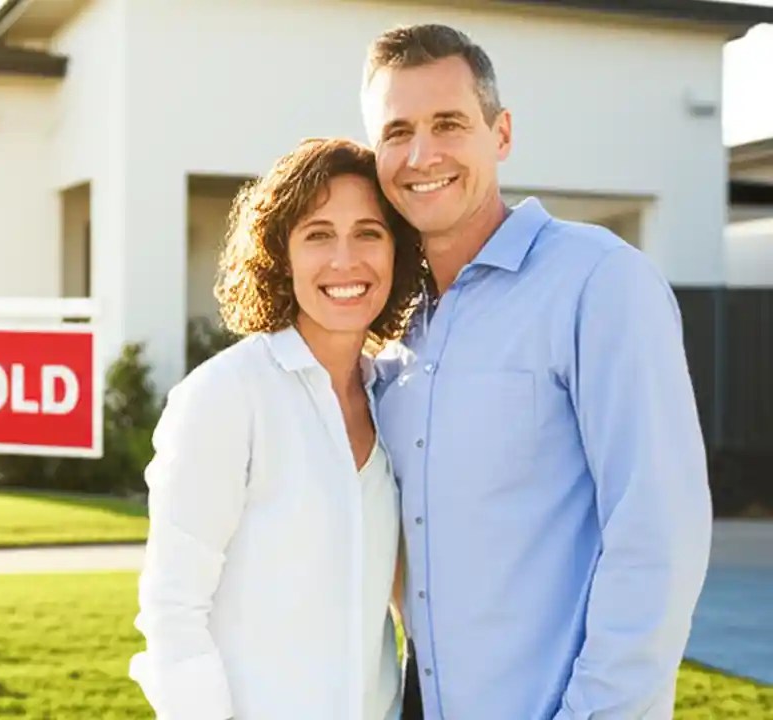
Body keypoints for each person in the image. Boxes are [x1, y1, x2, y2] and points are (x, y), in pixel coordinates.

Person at [359, 23, 714, 719]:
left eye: (448, 123)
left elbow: (658, 534)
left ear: (502, 133)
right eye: (397, 131)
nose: (422, 154)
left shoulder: (599, 282)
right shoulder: (394, 328)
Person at [128, 137, 425, 719]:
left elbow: (405, 597)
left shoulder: (395, 400)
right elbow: (172, 612)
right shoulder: (226, 397)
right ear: (280, 256)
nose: (346, 260)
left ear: (397, 251)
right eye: (318, 234)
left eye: (369, 232)